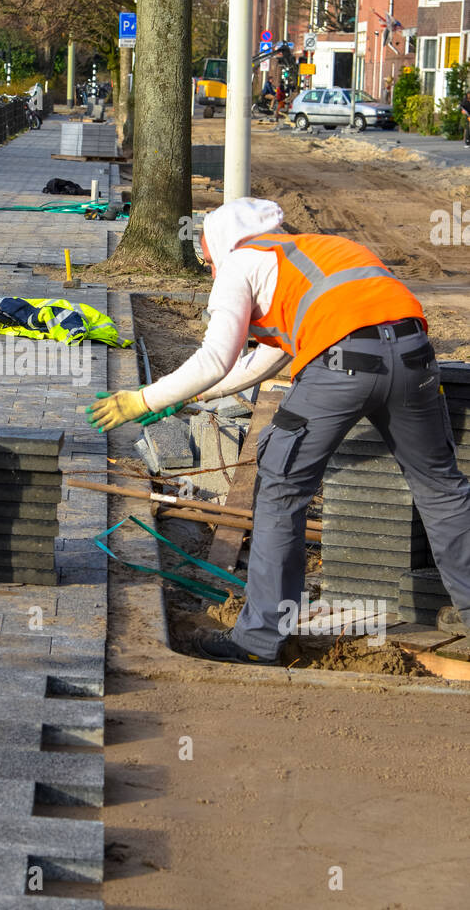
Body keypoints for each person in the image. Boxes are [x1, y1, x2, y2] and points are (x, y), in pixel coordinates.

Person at [87, 197, 470, 665]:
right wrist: (192, 395)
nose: (211, 272)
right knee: (442, 488)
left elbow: (214, 357)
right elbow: (269, 356)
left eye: (207, 261)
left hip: (341, 367)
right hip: (415, 357)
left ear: (221, 245)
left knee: (281, 490)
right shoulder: (321, 251)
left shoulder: (241, 262)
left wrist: (141, 399)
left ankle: (258, 640)